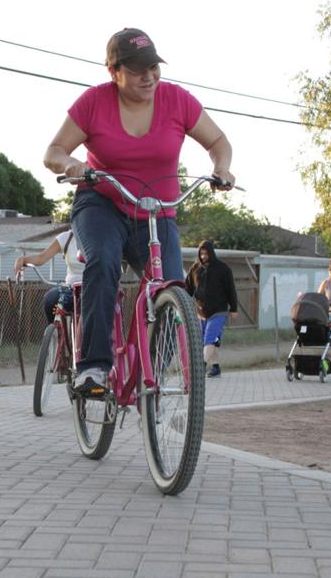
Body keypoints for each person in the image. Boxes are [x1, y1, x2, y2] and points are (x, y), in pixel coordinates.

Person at [43, 27, 235, 397]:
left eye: (153, 67)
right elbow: (53, 152)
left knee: (173, 289)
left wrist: (222, 168)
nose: (148, 77)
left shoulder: (177, 100)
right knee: (102, 261)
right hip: (102, 204)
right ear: (113, 71)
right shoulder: (94, 102)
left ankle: (152, 377)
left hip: (156, 213)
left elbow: (218, 141)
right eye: (136, 70)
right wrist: (71, 164)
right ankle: (94, 368)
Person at [185, 240, 239, 378]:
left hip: (218, 311)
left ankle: (199, 368)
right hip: (201, 312)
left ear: (211, 253)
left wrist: (233, 308)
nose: (203, 256)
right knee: (210, 340)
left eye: (206, 253)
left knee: (208, 339)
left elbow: (230, 289)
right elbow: (188, 288)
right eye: (201, 254)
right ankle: (216, 367)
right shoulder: (195, 268)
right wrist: (183, 303)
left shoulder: (223, 268)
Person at [13, 228, 85, 323]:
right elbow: (41, 258)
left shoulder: (101, 237)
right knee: (50, 299)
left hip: (95, 287)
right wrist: (22, 260)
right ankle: (55, 329)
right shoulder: (67, 238)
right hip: (70, 289)